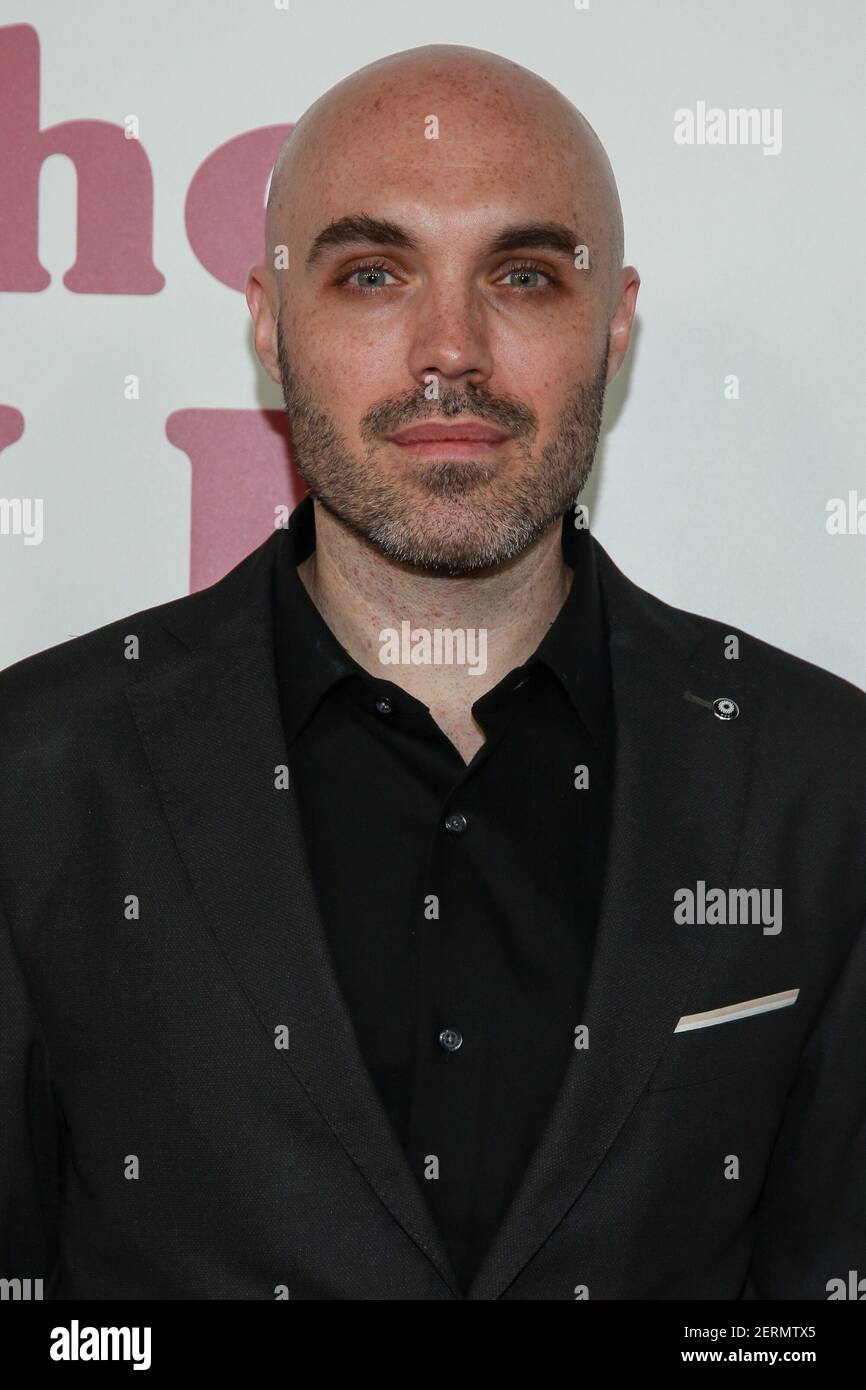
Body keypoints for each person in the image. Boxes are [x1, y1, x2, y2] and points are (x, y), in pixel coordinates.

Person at [1, 44, 864, 1301]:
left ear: (613, 322)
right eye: (369, 273)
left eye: (521, 275)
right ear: (267, 319)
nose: (448, 350)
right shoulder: (36, 777)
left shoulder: (817, 783)